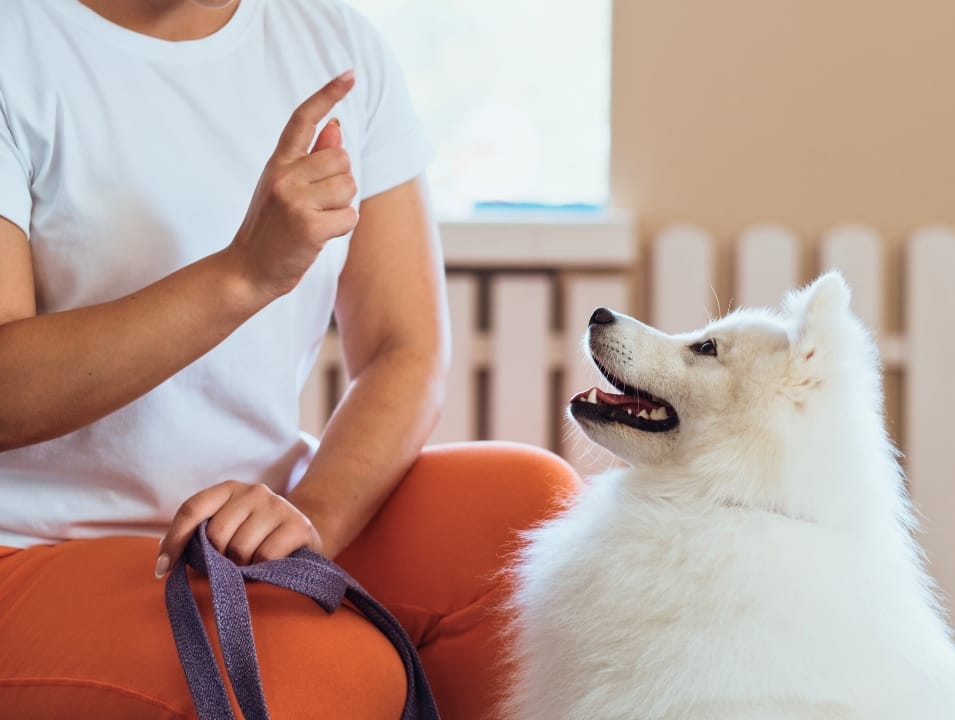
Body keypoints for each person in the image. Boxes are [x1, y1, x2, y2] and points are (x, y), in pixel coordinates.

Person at [0, 0, 580, 717]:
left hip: (252, 519)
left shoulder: (333, 42)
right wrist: (243, 275)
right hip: (31, 544)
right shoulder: (17, 43)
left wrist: (310, 523)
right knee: (331, 671)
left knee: (531, 516)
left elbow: (406, 347)